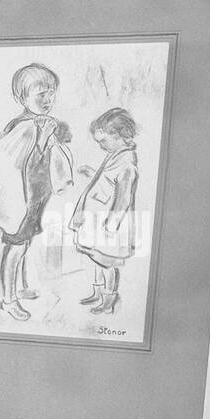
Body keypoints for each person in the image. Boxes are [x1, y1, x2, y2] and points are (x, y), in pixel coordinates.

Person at [0, 62, 74, 321]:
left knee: (25, 244)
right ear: (22, 98)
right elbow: (21, 159)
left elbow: (51, 153)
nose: (48, 99)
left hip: (35, 198)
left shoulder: (42, 122)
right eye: (40, 94)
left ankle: (22, 287)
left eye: (51, 93)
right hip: (20, 201)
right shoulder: (25, 126)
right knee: (16, 247)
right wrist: (44, 138)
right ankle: (9, 299)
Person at [69, 107, 140, 315]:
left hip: (109, 225)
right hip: (97, 221)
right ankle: (97, 292)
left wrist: (112, 224)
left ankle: (108, 300)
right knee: (96, 257)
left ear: (120, 136)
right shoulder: (114, 155)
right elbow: (105, 181)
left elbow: (124, 197)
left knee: (107, 263)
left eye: (103, 140)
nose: (100, 145)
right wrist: (91, 172)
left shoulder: (127, 163)